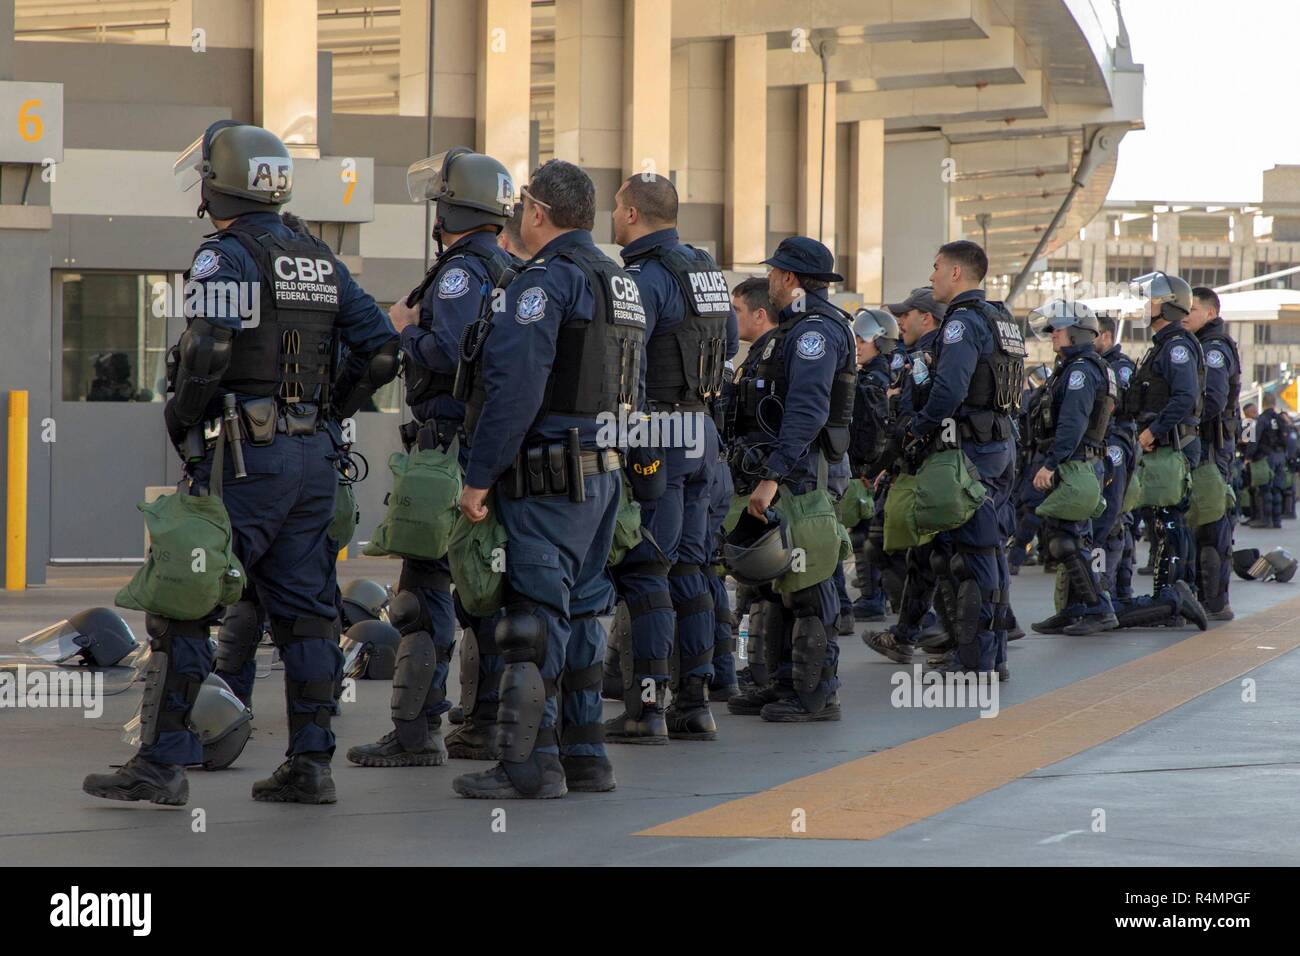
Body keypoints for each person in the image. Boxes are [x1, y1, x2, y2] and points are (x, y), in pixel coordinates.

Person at [83, 121, 399, 806]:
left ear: (217, 181)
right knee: (310, 613)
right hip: (315, 459)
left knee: (186, 602)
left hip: (249, 458)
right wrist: (330, 412)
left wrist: (184, 421)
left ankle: (160, 765)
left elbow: (206, 352)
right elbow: (381, 350)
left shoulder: (224, 256)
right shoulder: (318, 257)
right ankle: (311, 766)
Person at [451, 159, 640, 799]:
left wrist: (479, 477)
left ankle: (526, 765)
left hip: (548, 479)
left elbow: (514, 390)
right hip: (604, 476)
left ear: (536, 212)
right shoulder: (619, 281)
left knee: (531, 621)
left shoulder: (545, 283)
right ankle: (585, 758)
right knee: (586, 615)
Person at [347, 148, 518, 769]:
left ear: (453, 205)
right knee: (483, 591)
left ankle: (415, 732)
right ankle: (484, 725)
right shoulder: (510, 266)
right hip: (484, 451)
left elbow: (446, 348)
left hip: (443, 449)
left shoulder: (458, 273)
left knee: (423, 592)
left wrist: (399, 329)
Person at [603, 173, 734, 744]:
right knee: (692, 566)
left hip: (658, 430)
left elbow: (623, 359)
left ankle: (646, 709)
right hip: (701, 429)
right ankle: (695, 702)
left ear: (631, 214)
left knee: (647, 567)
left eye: (615, 207)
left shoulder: (643, 278)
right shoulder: (705, 269)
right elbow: (728, 344)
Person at [724, 236, 854, 722]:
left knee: (808, 583)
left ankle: (816, 693)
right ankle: (778, 683)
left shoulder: (815, 332)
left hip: (798, 476)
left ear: (791, 279)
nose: (771, 282)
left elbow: (806, 411)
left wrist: (772, 478)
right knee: (770, 586)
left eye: (776, 274)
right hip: (775, 472)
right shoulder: (793, 331)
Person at [902, 241, 1022, 676]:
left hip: (973, 449)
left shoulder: (963, 323)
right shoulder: (1001, 318)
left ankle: (976, 661)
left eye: (936, 268)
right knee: (989, 551)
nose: (931, 276)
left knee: (972, 556)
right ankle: (994, 657)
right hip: (1002, 444)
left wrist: (919, 424)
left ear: (956, 273)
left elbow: (950, 389)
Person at [1112, 271, 1208, 630]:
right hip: (1162, 447)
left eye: (1149, 299)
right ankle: (1170, 593)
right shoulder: (1162, 346)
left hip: (1172, 446)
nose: (1142, 306)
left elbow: (1185, 398)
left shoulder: (1177, 346)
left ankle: (1174, 593)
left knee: (1171, 521)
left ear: (1168, 306)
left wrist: (1152, 431)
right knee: (1163, 522)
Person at [1023, 300, 1120, 635]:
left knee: (1067, 541)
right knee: (1065, 536)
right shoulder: (1080, 366)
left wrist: (1050, 464)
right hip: (1081, 462)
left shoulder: (1080, 371)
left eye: (1058, 329)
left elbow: (1072, 423)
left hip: (1076, 462)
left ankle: (1099, 608)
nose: (1052, 335)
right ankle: (1074, 608)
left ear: (1078, 332)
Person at [1186, 287, 1240, 620]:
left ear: (1210, 313)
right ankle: (1205, 597)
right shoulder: (1201, 346)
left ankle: (1215, 601)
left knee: (1211, 523)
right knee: (1200, 520)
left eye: (1191, 309)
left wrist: (1182, 422)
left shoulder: (1214, 349)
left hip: (1212, 445)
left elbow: (1213, 400)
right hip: (1205, 445)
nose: (1185, 315)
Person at [845, 308, 900, 622]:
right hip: (871, 467)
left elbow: (877, 429)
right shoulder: (874, 374)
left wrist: (869, 469)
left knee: (865, 533)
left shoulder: (874, 379)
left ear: (879, 342)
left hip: (870, 468)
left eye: (862, 338)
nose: (857, 343)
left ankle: (872, 597)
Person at [1093, 315, 1139, 612]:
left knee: (1110, 521)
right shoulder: (1101, 365)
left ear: (1107, 336)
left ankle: (1109, 593)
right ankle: (1118, 593)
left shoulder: (1118, 367)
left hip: (1116, 443)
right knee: (1117, 520)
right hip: (1109, 443)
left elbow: (1117, 405)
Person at [1247, 393, 1287, 529]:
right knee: (1277, 488)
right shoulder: (1280, 419)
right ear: (1274, 403)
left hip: (1265, 456)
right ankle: (1277, 521)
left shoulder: (1262, 419)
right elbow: (1286, 438)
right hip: (1280, 456)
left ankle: (1266, 519)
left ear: (1263, 403)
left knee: (1266, 489)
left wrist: (1249, 456)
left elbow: (1254, 438)